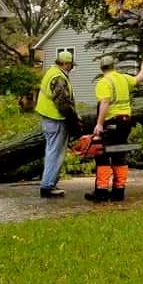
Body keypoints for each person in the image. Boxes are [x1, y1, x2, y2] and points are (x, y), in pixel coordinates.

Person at [85, 54, 143, 205]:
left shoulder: (104, 82)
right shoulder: (123, 78)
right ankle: (118, 191)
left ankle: (101, 192)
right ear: (114, 66)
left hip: (111, 123)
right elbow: (139, 79)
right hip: (126, 123)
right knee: (119, 155)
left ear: (102, 68)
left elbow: (105, 103)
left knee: (102, 155)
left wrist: (99, 124)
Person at [35, 48, 82, 199]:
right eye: (71, 65)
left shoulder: (51, 72)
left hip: (48, 118)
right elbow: (63, 104)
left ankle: (49, 183)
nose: (72, 68)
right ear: (65, 64)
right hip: (56, 119)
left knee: (51, 151)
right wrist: (74, 120)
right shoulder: (59, 78)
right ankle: (48, 186)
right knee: (55, 153)